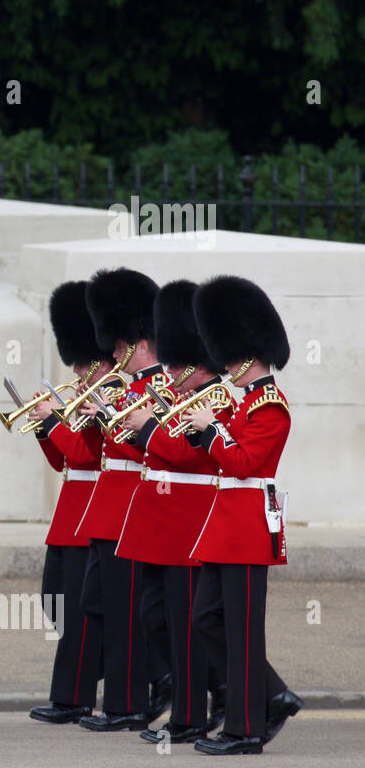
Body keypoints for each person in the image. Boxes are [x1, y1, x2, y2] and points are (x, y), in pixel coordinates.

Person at [184, 276, 303, 755]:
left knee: (241, 629)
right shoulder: (243, 403)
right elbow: (219, 456)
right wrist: (201, 430)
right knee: (206, 620)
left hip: (251, 524)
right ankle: (273, 694)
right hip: (226, 526)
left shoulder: (270, 406)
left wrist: (211, 430)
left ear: (250, 355)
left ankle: (246, 729)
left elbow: (242, 463)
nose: (225, 365)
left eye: (230, 357)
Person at [116, 280, 229, 743]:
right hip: (160, 526)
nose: (172, 369)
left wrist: (145, 430)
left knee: (185, 625)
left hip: (189, 524)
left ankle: (190, 716)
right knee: (156, 618)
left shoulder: (214, 396)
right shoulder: (179, 396)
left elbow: (185, 454)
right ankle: (211, 693)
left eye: (181, 361)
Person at [72, 268, 172, 732]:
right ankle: (156, 681)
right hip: (110, 507)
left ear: (140, 342)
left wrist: (113, 416)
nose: (113, 353)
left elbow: (157, 448)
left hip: (135, 507)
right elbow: (95, 455)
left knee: (127, 611)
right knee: (100, 603)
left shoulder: (158, 391)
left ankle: (127, 705)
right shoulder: (125, 388)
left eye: (119, 345)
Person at [26, 281, 107, 724]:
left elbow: (86, 454)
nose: (78, 372)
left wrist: (57, 420)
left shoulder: (109, 400)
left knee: (77, 610)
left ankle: (73, 697)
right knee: (56, 600)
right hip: (70, 511)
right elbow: (62, 461)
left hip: (93, 509)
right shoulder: (85, 398)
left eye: (84, 364)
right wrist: (44, 427)